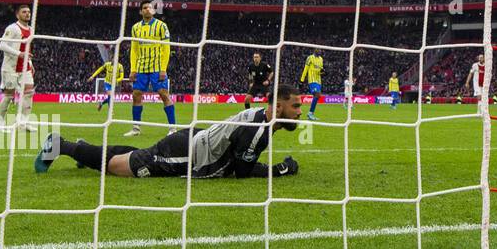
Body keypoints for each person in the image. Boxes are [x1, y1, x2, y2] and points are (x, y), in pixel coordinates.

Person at [36, 86, 305, 179]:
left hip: (194, 141)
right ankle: (63, 146)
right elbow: (243, 172)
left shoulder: (259, 118)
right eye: (295, 106)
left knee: (139, 154)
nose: (300, 112)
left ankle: (85, 151)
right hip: (187, 154)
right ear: (278, 106)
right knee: (122, 166)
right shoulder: (259, 128)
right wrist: (281, 169)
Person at [127, 0, 174, 136]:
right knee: (136, 95)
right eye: (145, 8)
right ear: (141, 11)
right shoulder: (135, 28)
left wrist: (163, 68)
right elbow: (134, 50)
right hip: (141, 68)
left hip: (157, 67)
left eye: (150, 7)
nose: (147, 9)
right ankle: (136, 128)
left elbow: (166, 48)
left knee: (163, 94)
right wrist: (133, 69)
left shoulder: (161, 26)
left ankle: (172, 128)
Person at [0, 4, 34, 127]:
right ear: (17, 14)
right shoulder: (12, 28)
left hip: (25, 68)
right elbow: (2, 45)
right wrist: (19, 54)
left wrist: (30, 63)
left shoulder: (31, 30)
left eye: (29, 12)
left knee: (29, 93)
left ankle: (23, 123)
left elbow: (28, 49)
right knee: (9, 96)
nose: (27, 14)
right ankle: (1, 122)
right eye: (24, 12)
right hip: (11, 68)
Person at [301, 48, 324, 118]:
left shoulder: (321, 59)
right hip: (312, 80)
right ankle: (310, 113)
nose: (320, 51)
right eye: (318, 49)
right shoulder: (310, 58)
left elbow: (320, 70)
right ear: (315, 50)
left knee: (317, 96)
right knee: (317, 94)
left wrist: (323, 72)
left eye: (320, 50)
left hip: (319, 81)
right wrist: (302, 80)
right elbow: (305, 69)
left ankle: (311, 113)